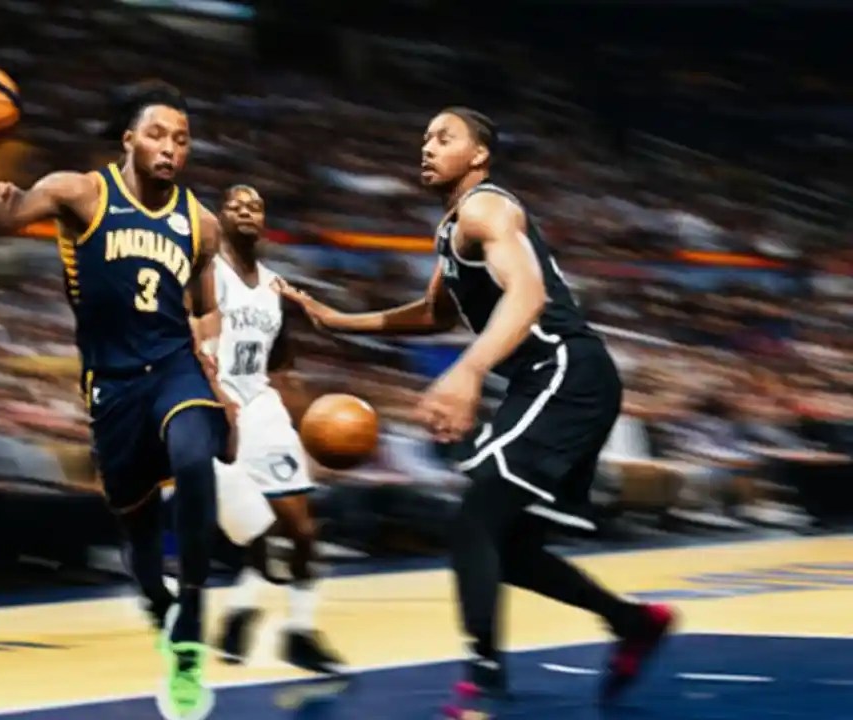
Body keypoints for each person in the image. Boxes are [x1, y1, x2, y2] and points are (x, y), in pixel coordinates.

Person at [276, 107, 675, 717]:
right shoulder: (452, 228)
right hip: (554, 380)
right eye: (425, 137)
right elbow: (435, 313)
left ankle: (484, 682)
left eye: (444, 137)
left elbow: (528, 293)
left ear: (479, 155)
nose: (427, 146)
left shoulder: (485, 208)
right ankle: (633, 622)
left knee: (473, 524)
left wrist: (467, 371)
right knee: (508, 547)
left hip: (565, 371)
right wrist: (339, 321)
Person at [0, 80, 233, 720]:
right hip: (113, 384)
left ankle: (192, 619)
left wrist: (214, 366)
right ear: (129, 139)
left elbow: (207, 309)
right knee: (138, 531)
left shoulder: (202, 224)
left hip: (175, 368)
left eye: (182, 138)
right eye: (158, 134)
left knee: (195, 461)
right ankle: (159, 605)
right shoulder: (78, 192)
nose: (171, 147)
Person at [206, 185, 345, 674]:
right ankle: (241, 611)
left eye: (255, 206)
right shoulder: (205, 276)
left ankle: (299, 634)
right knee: (258, 532)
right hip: (214, 411)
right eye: (236, 205)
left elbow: (283, 367)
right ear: (220, 219)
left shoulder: (274, 287)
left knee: (302, 530)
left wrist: (308, 430)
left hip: (262, 411)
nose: (246, 211)